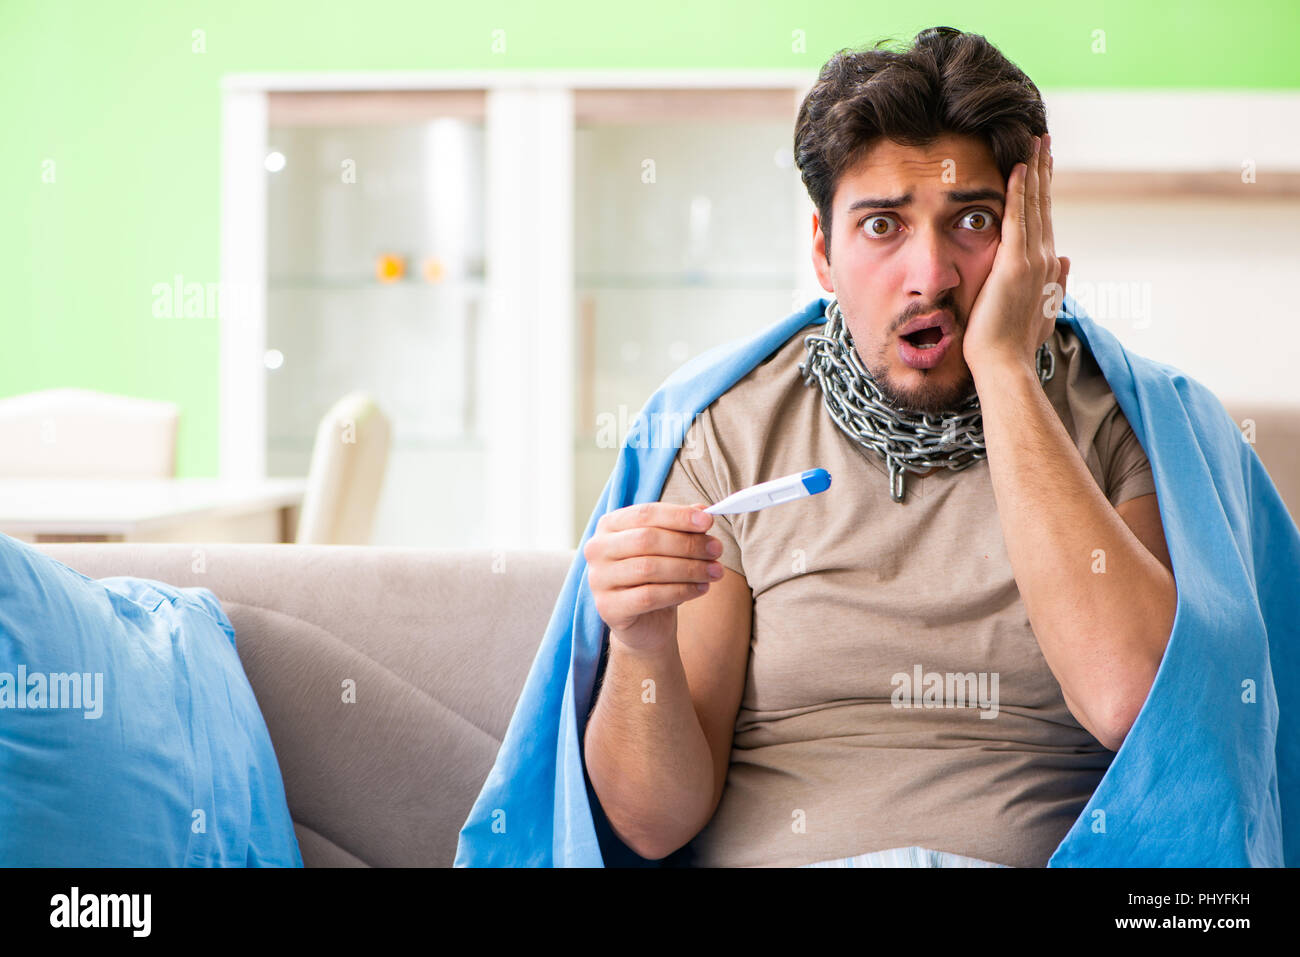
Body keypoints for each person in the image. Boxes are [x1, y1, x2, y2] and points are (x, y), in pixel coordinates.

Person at [581, 26, 1177, 868]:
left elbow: (1133, 700)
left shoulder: (1115, 423)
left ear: (1030, 241)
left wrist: (1003, 365)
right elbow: (652, 823)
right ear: (823, 253)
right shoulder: (729, 434)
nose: (929, 274)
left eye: (973, 220)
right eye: (882, 226)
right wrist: (641, 642)